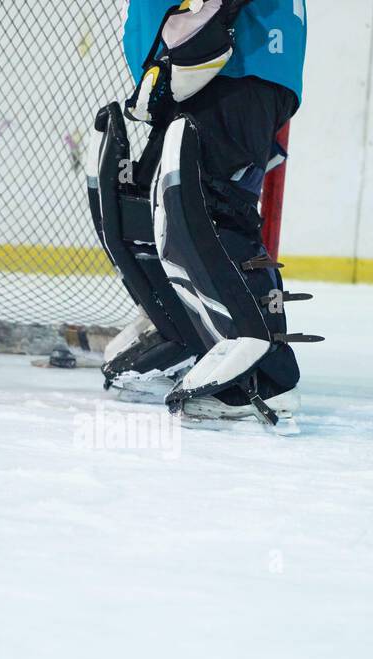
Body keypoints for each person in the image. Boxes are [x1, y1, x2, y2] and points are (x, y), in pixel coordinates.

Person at [90, 0, 313, 431]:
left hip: (232, 66)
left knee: (208, 210)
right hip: (204, 69)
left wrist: (199, 29)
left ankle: (263, 377)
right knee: (154, 208)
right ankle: (192, 339)